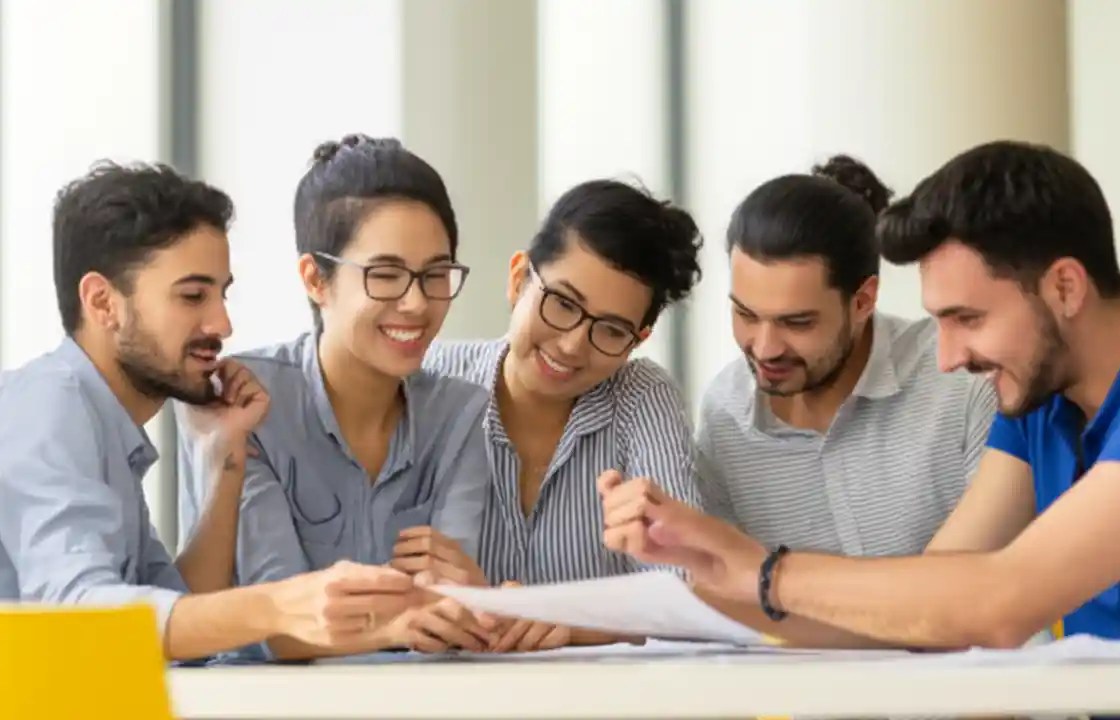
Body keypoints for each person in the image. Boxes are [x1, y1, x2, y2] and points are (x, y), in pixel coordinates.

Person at [598, 140, 1120, 650]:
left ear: (1065, 288)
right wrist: (682, 583)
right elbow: (935, 601)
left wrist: (765, 572)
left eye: (968, 319)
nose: (948, 356)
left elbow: (1004, 601)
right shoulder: (1041, 405)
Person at [0, 161, 416, 662]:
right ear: (103, 302)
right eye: (193, 296)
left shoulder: (105, 430)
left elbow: (183, 624)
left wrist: (226, 457)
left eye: (222, 294)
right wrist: (282, 605)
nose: (222, 323)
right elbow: (80, 618)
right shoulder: (48, 408)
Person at [178, 135, 495, 658]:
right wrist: (399, 624)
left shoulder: (460, 416)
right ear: (315, 280)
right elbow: (272, 622)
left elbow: (448, 605)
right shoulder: (245, 403)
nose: (416, 303)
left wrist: (454, 603)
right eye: (386, 275)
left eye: (436, 274)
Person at [425, 178, 704, 649]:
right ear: (518, 279)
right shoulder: (431, 381)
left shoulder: (641, 397)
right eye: (562, 303)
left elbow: (684, 588)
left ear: (639, 339)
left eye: (612, 330)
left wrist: (570, 619)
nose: (573, 345)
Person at [697, 155, 994, 563]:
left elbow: (988, 581)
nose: (765, 348)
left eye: (796, 322)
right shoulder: (724, 413)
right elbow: (727, 590)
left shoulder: (959, 382)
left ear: (863, 301)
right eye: (745, 314)